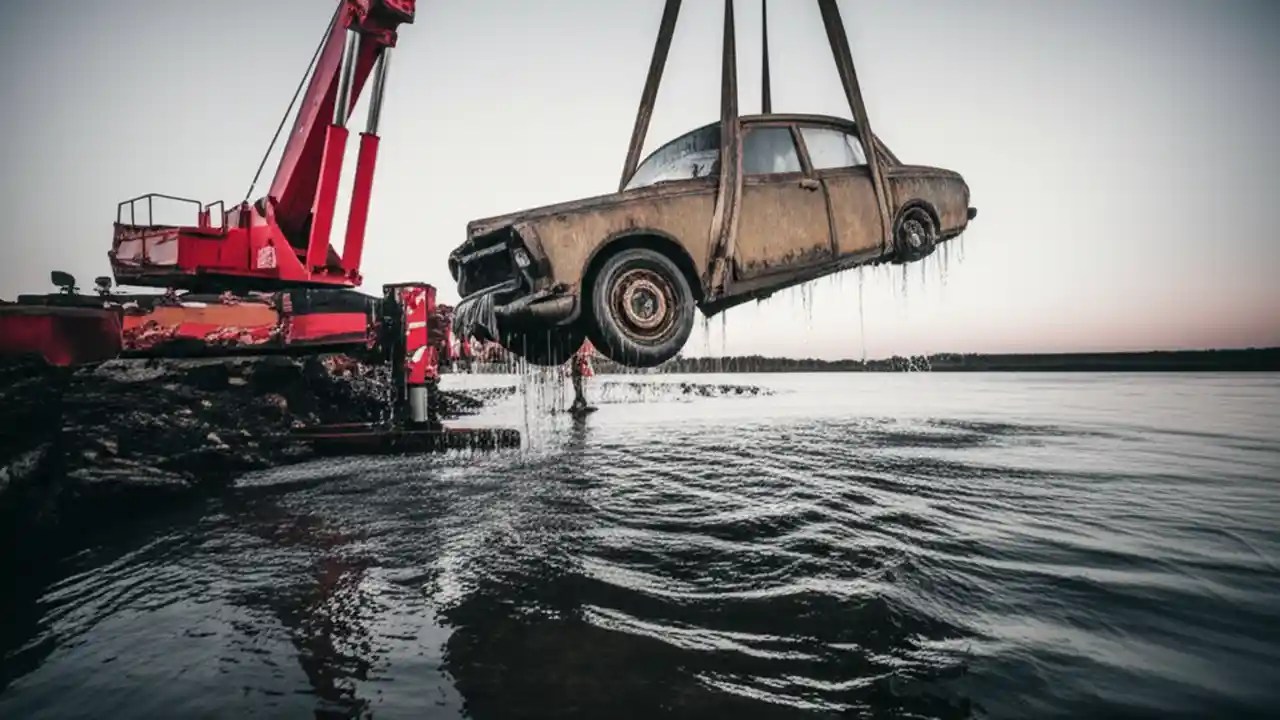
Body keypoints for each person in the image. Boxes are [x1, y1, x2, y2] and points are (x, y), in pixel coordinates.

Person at [569, 339, 595, 413]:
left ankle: (579, 398)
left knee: (576, 370)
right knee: (577, 370)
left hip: (579, 343)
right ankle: (579, 397)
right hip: (579, 342)